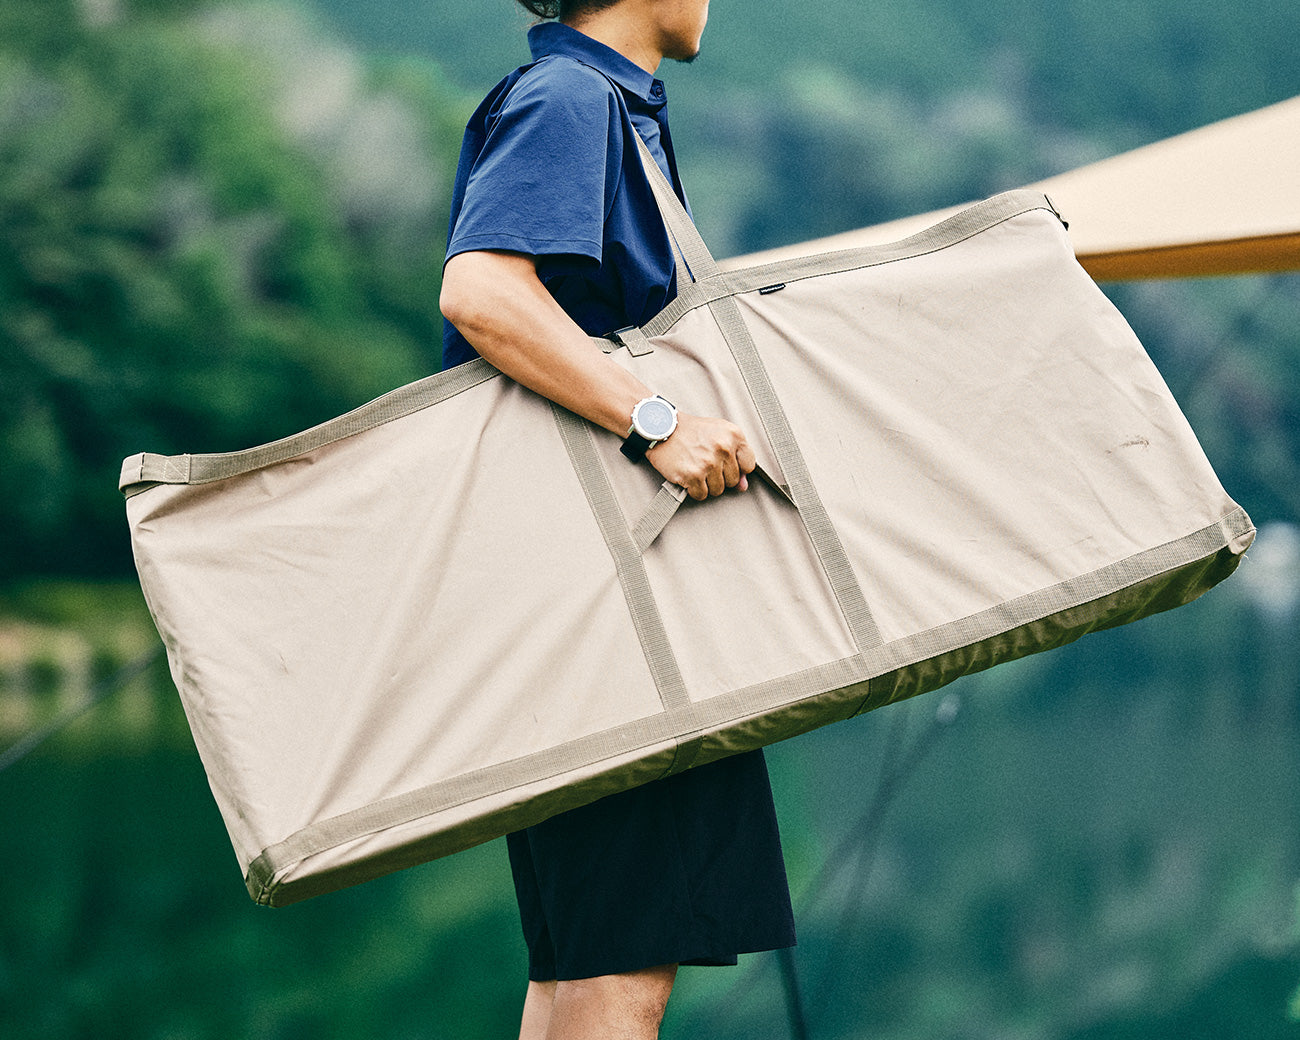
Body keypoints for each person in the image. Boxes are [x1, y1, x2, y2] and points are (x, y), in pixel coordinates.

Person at [439, 2, 795, 1036]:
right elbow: (483, 291)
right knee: (618, 975)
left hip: (594, 600)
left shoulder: (609, 106)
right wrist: (656, 421)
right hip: (610, 611)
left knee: (586, 968)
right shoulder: (569, 100)